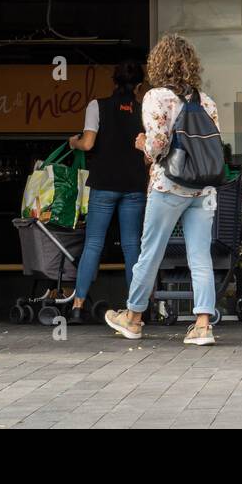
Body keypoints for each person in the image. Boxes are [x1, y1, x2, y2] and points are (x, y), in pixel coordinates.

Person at [105, 34, 222, 346]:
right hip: (203, 188)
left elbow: (158, 146)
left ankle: (133, 318)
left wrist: (144, 145)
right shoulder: (205, 101)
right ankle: (202, 325)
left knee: (151, 252)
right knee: (200, 255)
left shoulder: (156, 97)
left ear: (158, 64)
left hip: (169, 186)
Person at [65, 60, 148, 325]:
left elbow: (88, 144)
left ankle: (77, 306)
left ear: (114, 82)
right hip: (134, 184)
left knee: (93, 244)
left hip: (103, 184)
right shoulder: (143, 110)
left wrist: (73, 142)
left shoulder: (97, 106)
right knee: (131, 246)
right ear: (138, 86)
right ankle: (136, 310)